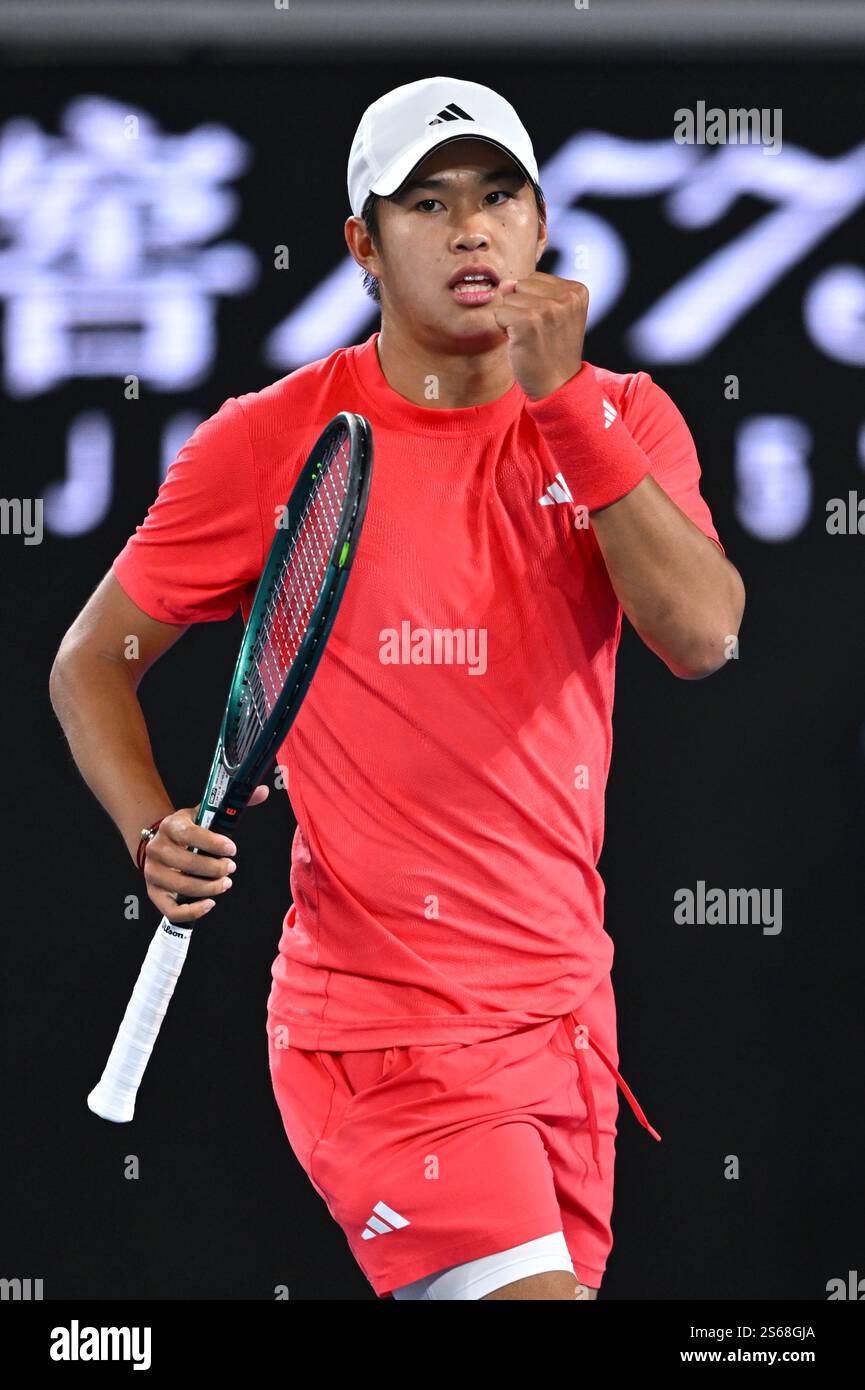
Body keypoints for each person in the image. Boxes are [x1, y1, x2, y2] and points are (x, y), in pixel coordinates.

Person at [50, 75, 745, 1301]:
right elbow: (91, 661)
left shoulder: (624, 417)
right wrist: (146, 822)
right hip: (383, 1034)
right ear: (363, 247)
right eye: (426, 203)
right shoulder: (271, 439)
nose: (469, 228)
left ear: (538, 228)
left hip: (567, 1019)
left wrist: (567, 405)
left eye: (496, 198)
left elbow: (700, 637)